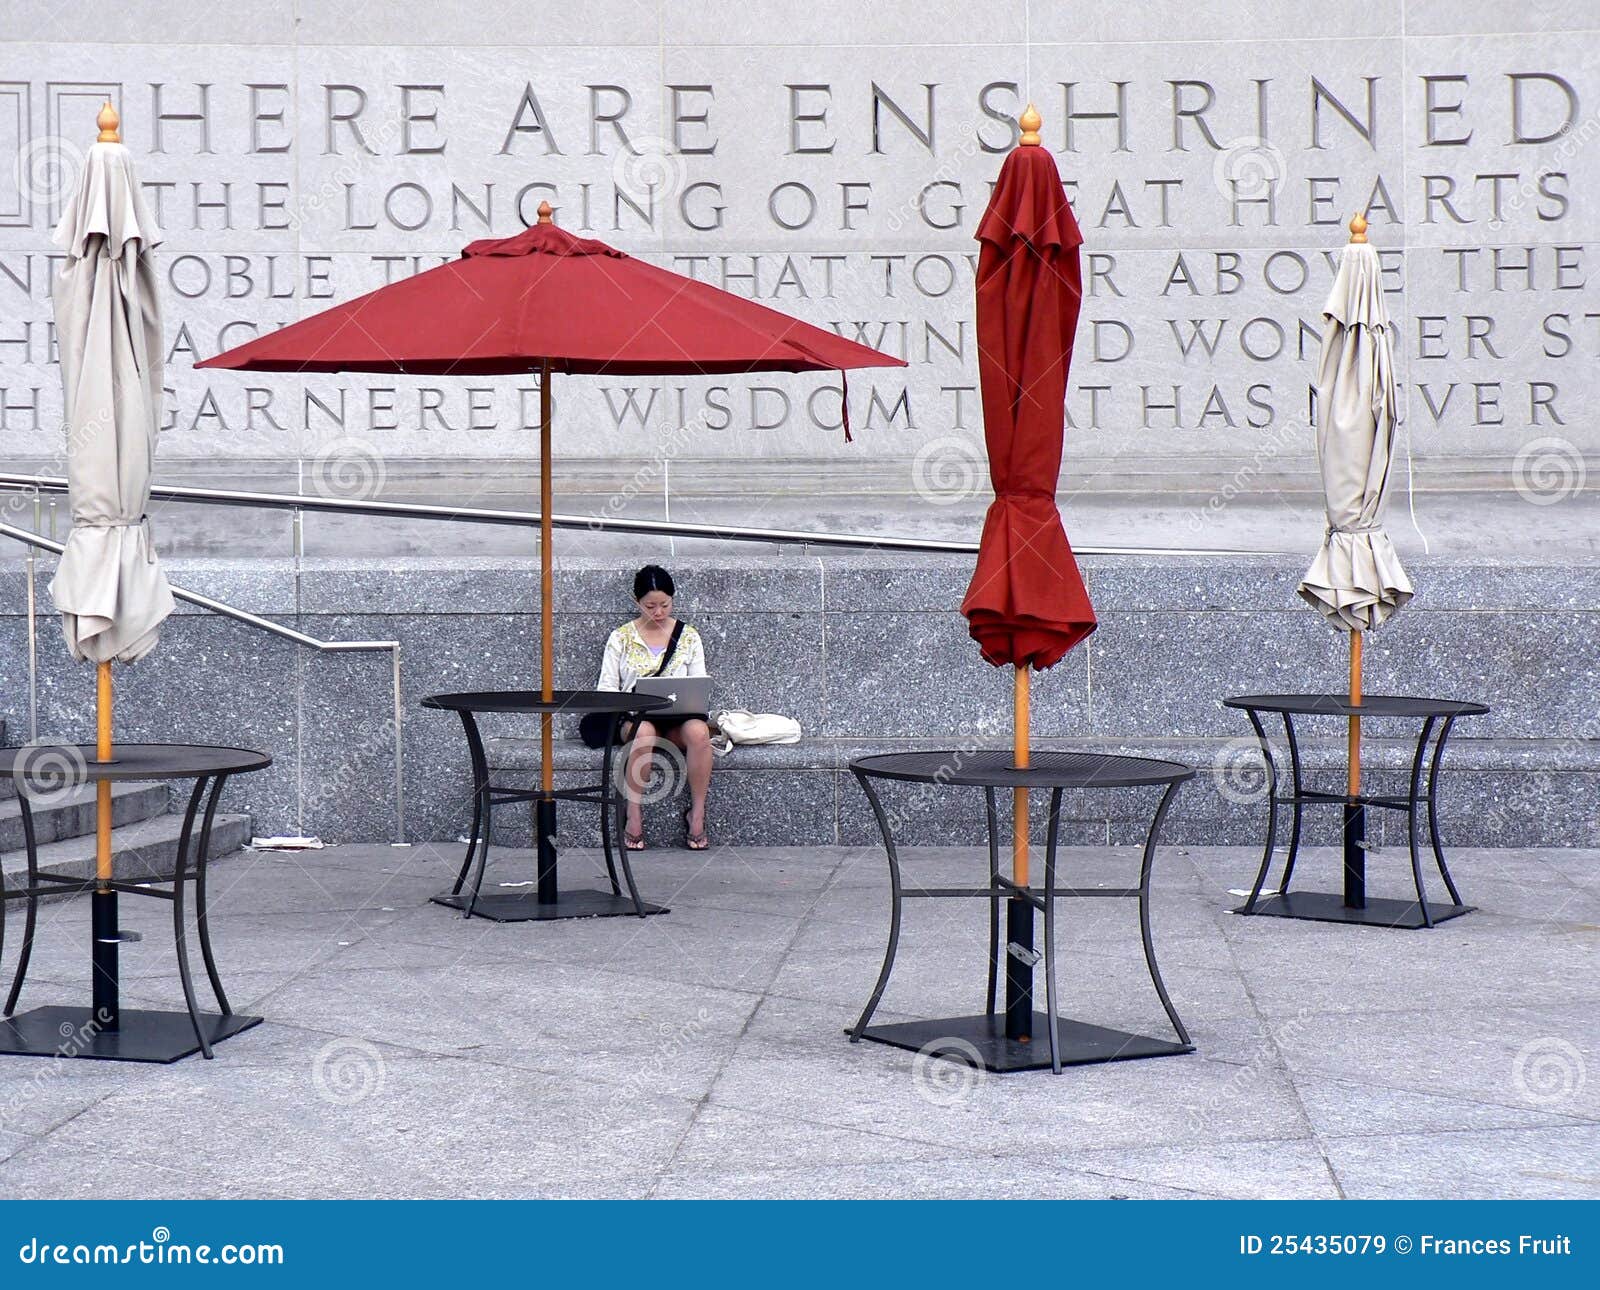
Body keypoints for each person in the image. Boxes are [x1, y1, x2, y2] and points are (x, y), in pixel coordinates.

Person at [597, 565, 712, 851]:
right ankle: (633, 813)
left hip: (678, 718)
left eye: (664, 605)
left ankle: (697, 813)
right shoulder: (621, 637)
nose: (658, 612)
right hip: (634, 719)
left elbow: (699, 683)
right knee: (644, 731)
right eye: (650, 606)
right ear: (637, 602)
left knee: (699, 733)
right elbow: (606, 689)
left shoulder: (688, 636)